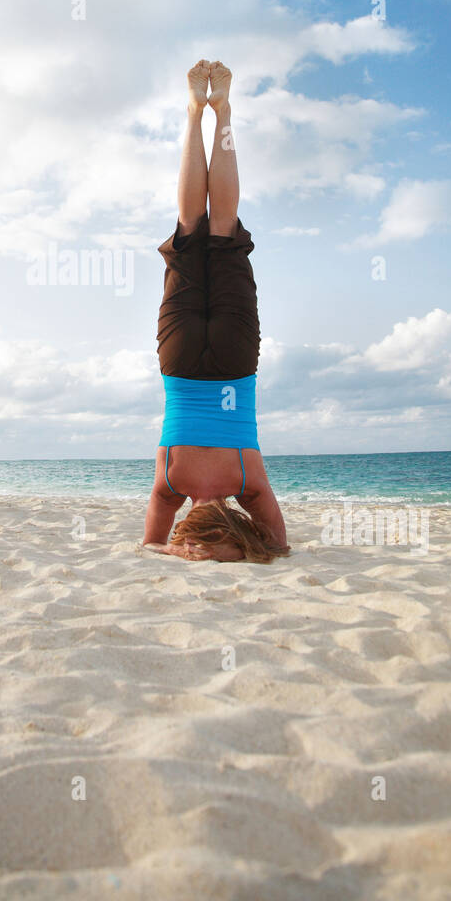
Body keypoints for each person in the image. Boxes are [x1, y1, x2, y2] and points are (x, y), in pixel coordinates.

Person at [142, 61, 289, 563]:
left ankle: (221, 112)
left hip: (233, 363)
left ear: (233, 520)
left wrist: (244, 540)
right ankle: (192, 113)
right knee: (189, 228)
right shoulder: (170, 483)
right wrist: (175, 550)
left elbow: (278, 543)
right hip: (181, 365)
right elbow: (150, 545)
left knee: (221, 229)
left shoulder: (246, 482)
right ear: (188, 522)